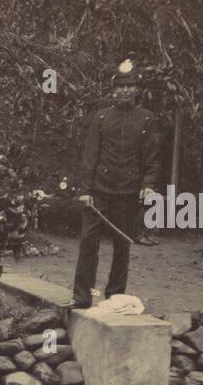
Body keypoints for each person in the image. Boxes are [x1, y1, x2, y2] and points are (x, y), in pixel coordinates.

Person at [69, 60, 164, 309]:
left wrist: (148, 185)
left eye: (130, 86)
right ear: (113, 90)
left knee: (122, 247)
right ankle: (82, 296)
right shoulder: (101, 118)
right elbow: (89, 156)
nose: (125, 91)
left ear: (137, 90)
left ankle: (114, 298)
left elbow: (152, 158)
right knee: (89, 242)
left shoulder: (147, 119)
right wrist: (84, 190)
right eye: (120, 86)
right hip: (99, 192)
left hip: (128, 193)